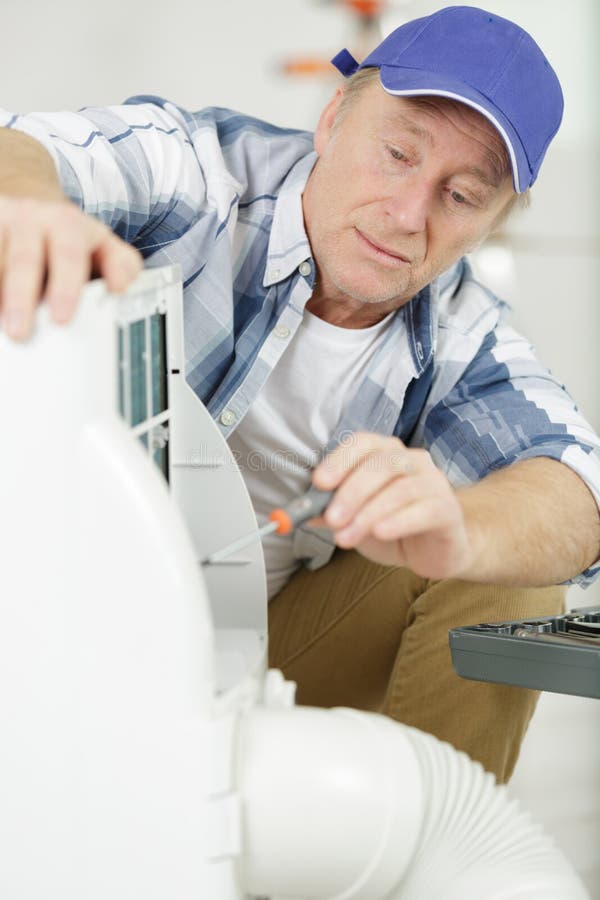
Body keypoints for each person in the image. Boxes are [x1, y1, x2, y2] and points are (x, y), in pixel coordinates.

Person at [1, 6, 599, 783]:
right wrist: (26, 201)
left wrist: (462, 525)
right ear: (331, 119)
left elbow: (578, 490)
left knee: (505, 567)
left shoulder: (463, 334)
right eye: (397, 154)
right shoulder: (199, 177)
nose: (407, 215)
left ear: (491, 222)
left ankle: (433, 842)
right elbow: (30, 150)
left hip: (250, 660)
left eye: (461, 195)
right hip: (45, 620)